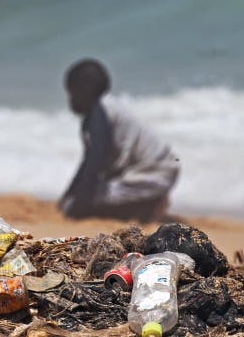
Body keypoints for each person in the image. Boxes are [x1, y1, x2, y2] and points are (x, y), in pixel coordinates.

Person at [58, 58, 179, 222]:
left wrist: (77, 207)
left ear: (85, 91)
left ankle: (150, 205)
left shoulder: (100, 112)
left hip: (154, 173)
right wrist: (69, 194)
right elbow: (87, 162)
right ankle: (148, 202)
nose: (70, 100)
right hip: (158, 170)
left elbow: (95, 161)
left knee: (91, 199)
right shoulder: (102, 110)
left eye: (73, 93)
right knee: (81, 196)